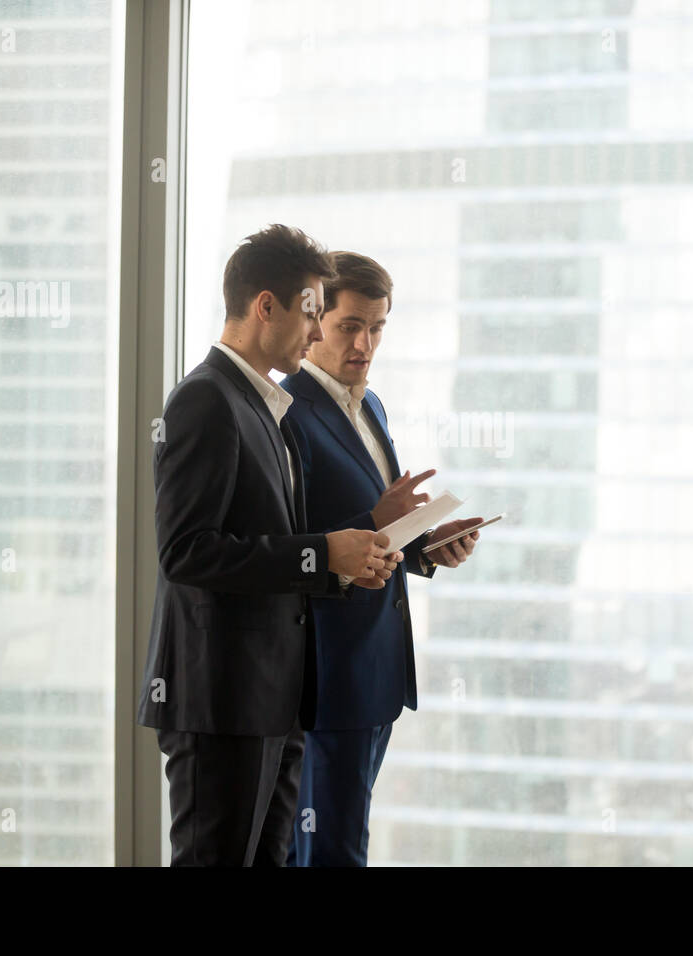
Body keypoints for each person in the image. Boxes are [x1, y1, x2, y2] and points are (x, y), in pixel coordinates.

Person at [137, 226, 402, 866]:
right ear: (265, 307)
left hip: (271, 699)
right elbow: (187, 552)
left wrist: (341, 565)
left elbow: (272, 545)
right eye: (313, 312)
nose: (316, 333)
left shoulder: (263, 407)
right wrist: (320, 556)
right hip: (221, 698)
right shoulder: (206, 400)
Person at [281, 251, 482, 866]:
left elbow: (380, 529)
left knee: (343, 838)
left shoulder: (372, 406)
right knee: (327, 848)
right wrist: (375, 523)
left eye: (377, 328)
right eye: (350, 327)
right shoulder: (286, 413)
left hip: (375, 668)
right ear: (317, 323)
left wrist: (426, 546)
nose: (365, 343)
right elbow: (292, 542)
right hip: (326, 670)